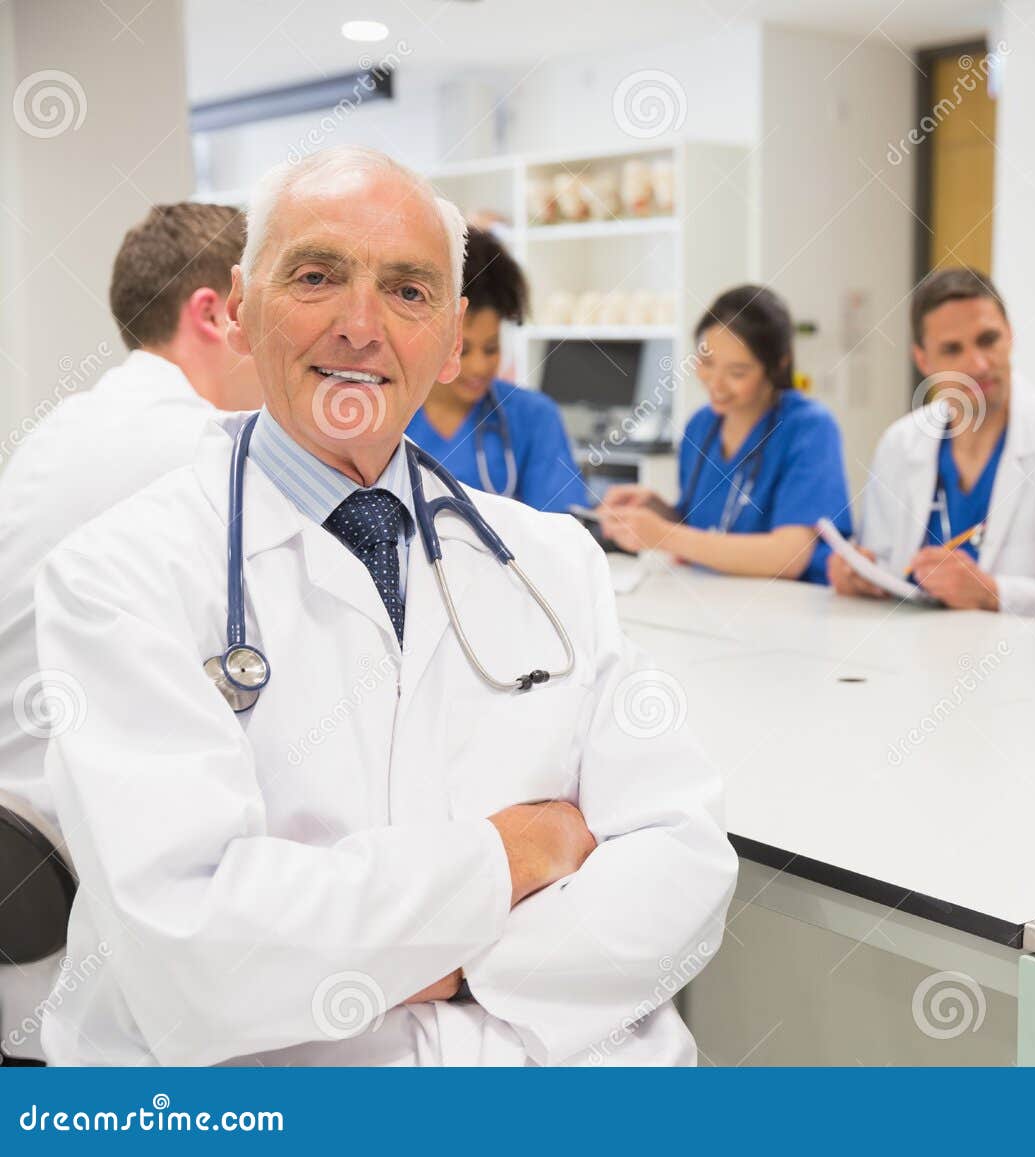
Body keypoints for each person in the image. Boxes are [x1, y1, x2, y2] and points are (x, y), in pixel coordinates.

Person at [31, 146, 734, 1066]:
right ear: (239, 311)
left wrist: (440, 966)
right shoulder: (118, 576)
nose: (362, 327)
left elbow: (682, 859)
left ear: (449, 335)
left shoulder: (552, 562)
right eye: (318, 276)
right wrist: (506, 862)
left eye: (408, 292)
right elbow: (197, 953)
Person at [0, 202, 259, 1062]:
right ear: (215, 312)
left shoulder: (66, 427)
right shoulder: (202, 448)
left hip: (21, 871)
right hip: (72, 903)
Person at [827, 268, 1035, 618]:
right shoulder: (900, 445)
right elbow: (884, 563)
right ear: (924, 361)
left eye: (988, 340)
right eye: (952, 350)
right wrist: (859, 577)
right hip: (912, 658)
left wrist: (996, 594)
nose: (977, 364)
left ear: (1010, 335)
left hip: (1032, 667)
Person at [598, 285, 852, 584]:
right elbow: (707, 529)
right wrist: (657, 509)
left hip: (790, 607)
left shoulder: (808, 429)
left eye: (737, 373)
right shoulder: (701, 425)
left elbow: (789, 556)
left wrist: (664, 535)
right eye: (706, 363)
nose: (715, 384)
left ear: (777, 366)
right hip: (713, 598)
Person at [405, 226, 592, 511]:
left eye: (491, 348)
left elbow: (562, 529)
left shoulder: (533, 417)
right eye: (462, 350)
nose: (479, 366)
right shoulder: (392, 417)